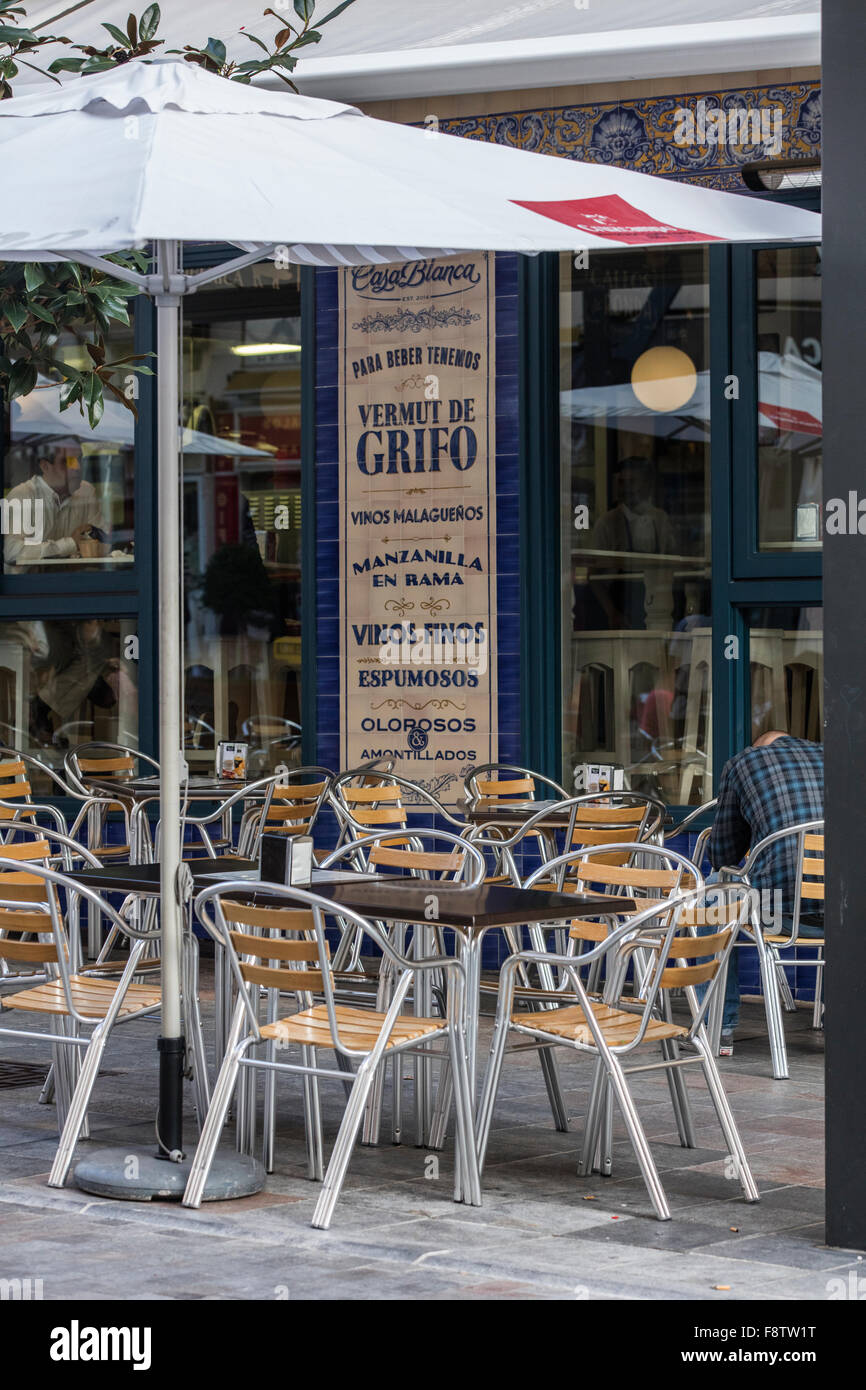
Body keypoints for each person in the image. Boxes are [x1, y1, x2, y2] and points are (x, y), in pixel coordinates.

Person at [705, 730, 824, 1053]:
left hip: (779, 916)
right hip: (848, 914)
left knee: (714, 892)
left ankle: (717, 1029)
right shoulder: (840, 758)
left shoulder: (745, 763)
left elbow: (723, 857)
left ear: (759, 748)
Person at [588, 456, 678, 630]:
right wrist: (612, 613)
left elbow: (672, 563)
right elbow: (594, 577)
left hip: (660, 608)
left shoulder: (661, 519)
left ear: (648, 484)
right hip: (622, 611)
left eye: (632, 482)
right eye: (622, 482)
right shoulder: (607, 523)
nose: (626, 488)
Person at [3, 452, 108, 571]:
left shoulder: (86, 491)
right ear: (45, 466)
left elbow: (106, 543)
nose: (77, 467)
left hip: (72, 580)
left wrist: (89, 541)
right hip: (27, 582)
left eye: (79, 460)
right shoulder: (22, 495)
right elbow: (10, 552)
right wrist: (70, 544)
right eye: (67, 461)